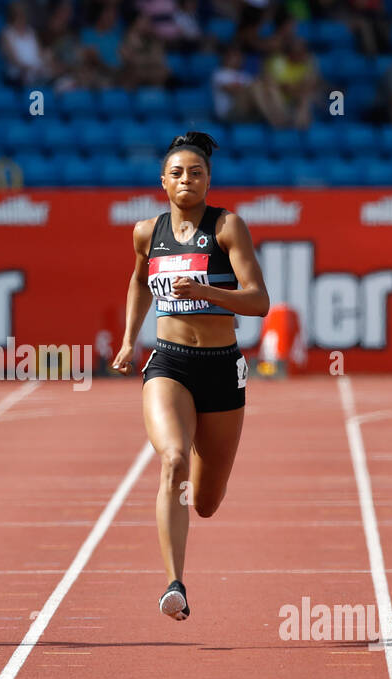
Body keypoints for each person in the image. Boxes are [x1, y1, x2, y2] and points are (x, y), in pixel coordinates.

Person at [110, 132, 270, 620]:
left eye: (195, 172)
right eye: (177, 173)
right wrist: (126, 341)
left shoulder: (227, 228)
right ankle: (174, 583)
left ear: (208, 179)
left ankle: (200, 498)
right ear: (162, 181)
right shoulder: (145, 233)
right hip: (169, 362)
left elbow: (259, 301)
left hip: (222, 368)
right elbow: (139, 279)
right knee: (173, 460)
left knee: (205, 501)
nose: (186, 180)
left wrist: (208, 290)